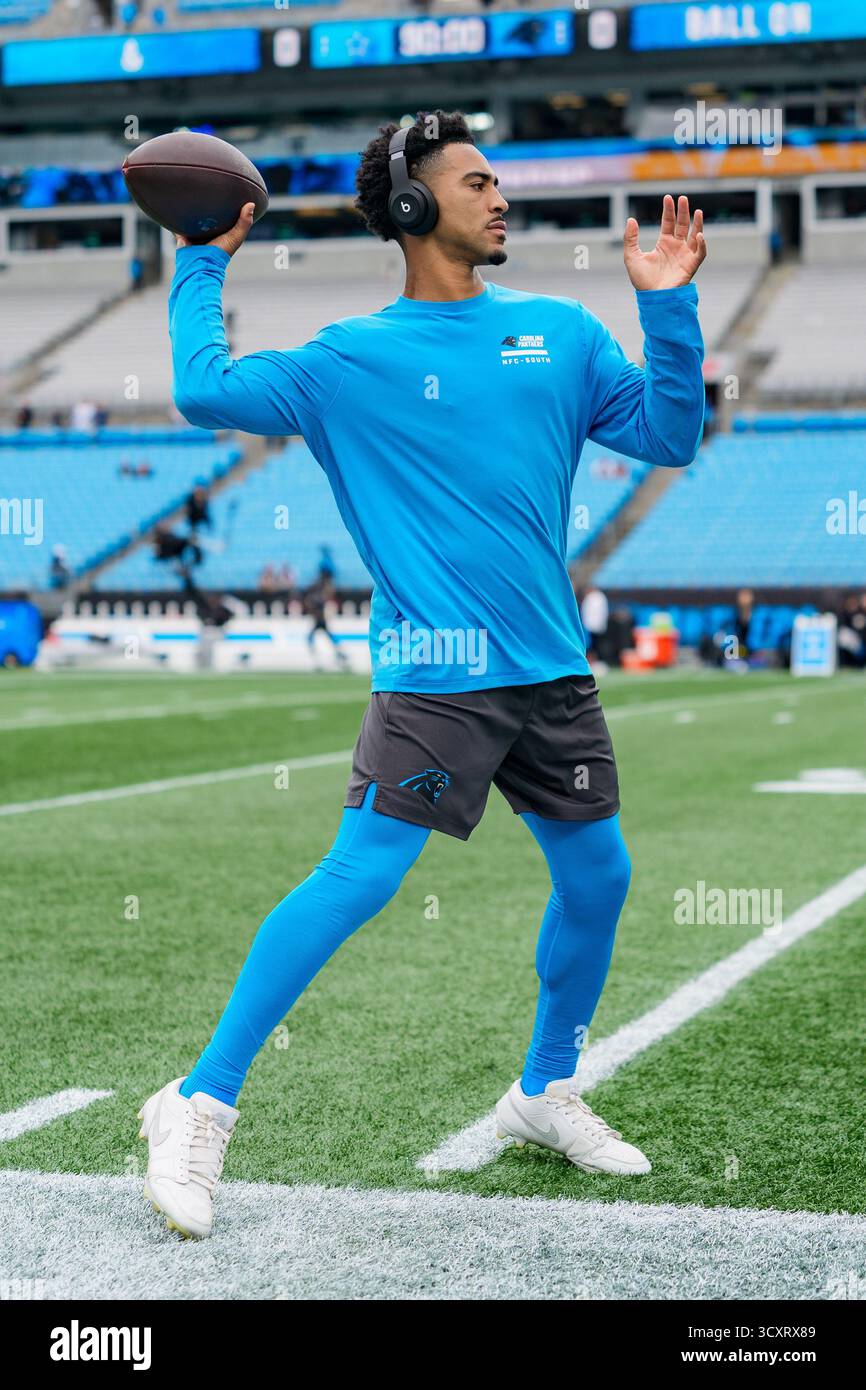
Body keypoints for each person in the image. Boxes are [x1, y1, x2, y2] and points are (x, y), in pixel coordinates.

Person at [137, 110, 707, 1239]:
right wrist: (203, 260)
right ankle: (195, 1101)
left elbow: (670, 436)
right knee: (359, 878)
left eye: (499, 180)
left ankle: (542, 1091)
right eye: (475, 181)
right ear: (409, 205)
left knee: (599, 882)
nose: (500, 198)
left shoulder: (559, 332)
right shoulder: (349, 359)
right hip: (435, 672)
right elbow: (203, 391)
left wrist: (665, 303)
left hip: (549, 670)